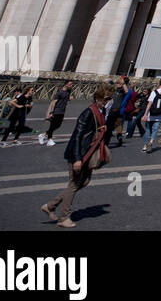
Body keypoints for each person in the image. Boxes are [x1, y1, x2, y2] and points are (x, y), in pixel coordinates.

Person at [41, 85, 111, 228]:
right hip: (80, 153)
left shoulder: (100, 111)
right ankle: (63, 218)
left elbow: (92, 131)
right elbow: (77, 136)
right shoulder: (88, 113)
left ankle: (50, 205)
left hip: (89, 152)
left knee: (83, 182)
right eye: (106, 98)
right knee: (74, 184)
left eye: (109, 99)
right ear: (98, 97)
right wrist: (77, 158)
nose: (108, 101)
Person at [140, 78, 161, 153]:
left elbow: (149, 104)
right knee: (155, 130)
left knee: (147, 130)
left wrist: (145, 114)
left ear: (159, 83)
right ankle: (151, 141)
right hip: (159, 114)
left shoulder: (154, 92)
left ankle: (145, 146)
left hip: (151, 113)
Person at [40, 81, 73, 146]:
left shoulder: (68, 92)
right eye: (70, 84)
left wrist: (69, 99)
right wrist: (51, 112)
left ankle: (43, 135)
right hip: (56, 110)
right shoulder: (59, 92)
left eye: (72, 84)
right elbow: (53, 102)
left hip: (62, 111)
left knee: (58, 125)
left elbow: (65, 99)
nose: (71, 85)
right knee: (52, 125)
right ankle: (49, 140)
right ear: (66, 85)